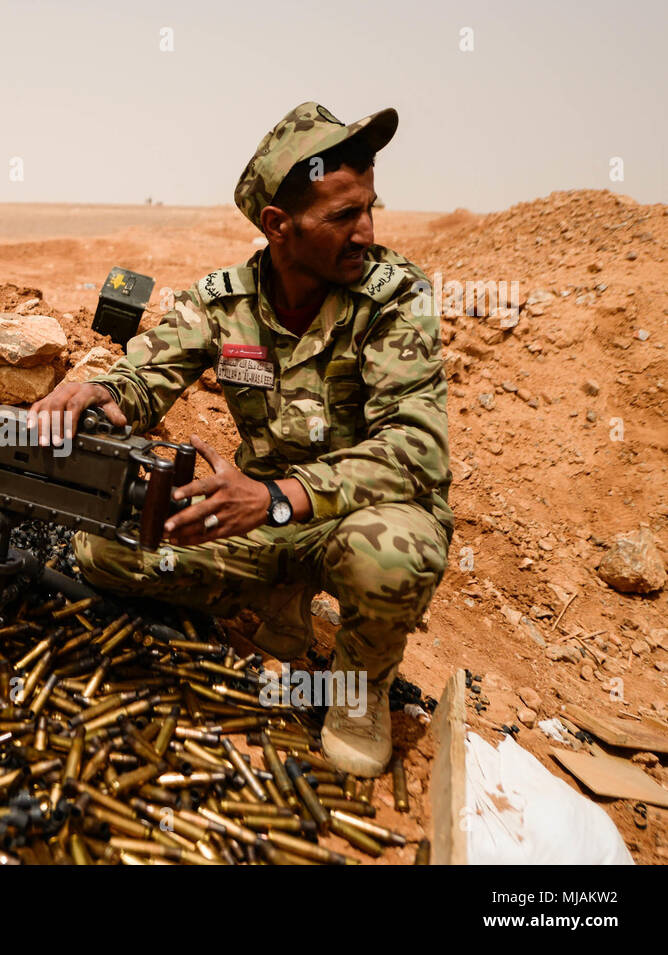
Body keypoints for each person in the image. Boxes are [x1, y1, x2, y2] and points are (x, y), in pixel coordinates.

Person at [27, 102, 452, 777]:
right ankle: (274, 600)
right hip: (260, 515)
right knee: (104, 550)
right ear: (278, 226)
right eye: (343, 217)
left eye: (370, 208)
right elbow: (148, 373)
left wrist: (279, 497)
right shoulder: (222, 302)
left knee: (390, 558)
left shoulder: (396, 297)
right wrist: (101, 394)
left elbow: (417, 449)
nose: (366, 232)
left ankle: (357, 684)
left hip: (363, 513)